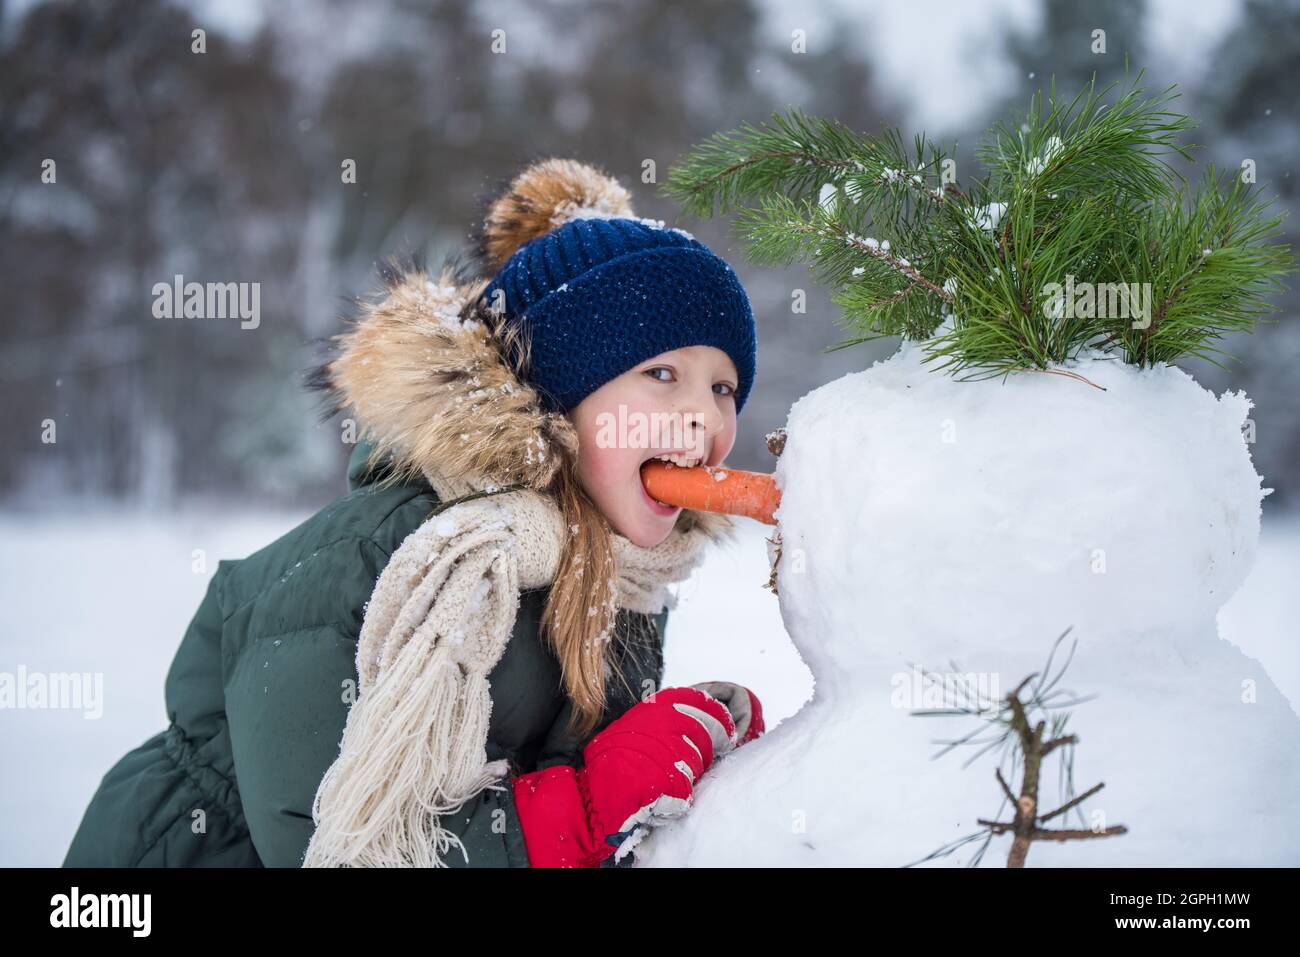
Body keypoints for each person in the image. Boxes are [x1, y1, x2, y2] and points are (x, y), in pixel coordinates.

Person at [62, 157, 765, 868]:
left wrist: (704, 768)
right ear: (560, 392)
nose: (703, 416)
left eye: (724, 387)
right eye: (663, 374)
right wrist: (586, 806)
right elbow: (343, 848)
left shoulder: (625, 575)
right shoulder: (381, 562)